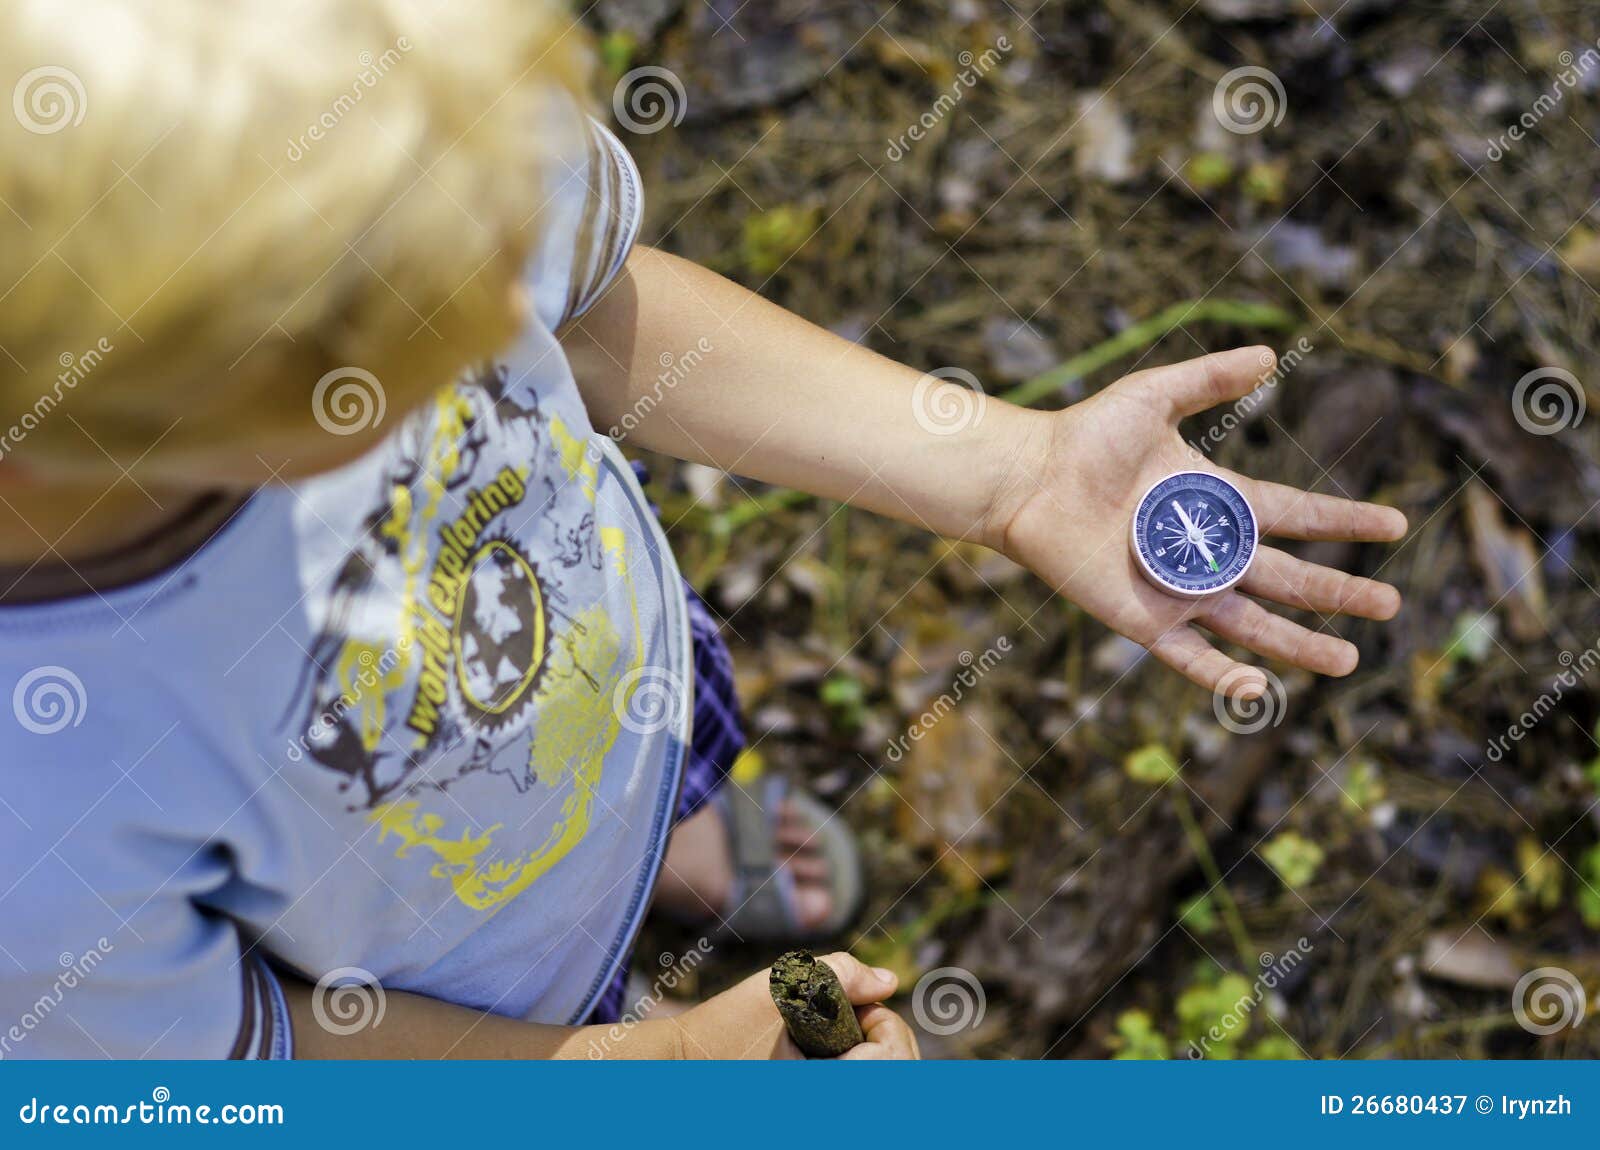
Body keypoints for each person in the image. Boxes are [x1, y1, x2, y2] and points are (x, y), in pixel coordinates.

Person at [0, 0, 1404, 1060]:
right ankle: (623, 950)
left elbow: (602, 319)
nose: (510, 323)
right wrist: (653, 1064)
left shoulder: (356, 98)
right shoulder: (35, 831)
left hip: (602, 661)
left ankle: (662, 831)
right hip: (456, 982)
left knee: (638, 750)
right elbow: (269, 1058)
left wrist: (1012, 474)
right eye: (422, 333)